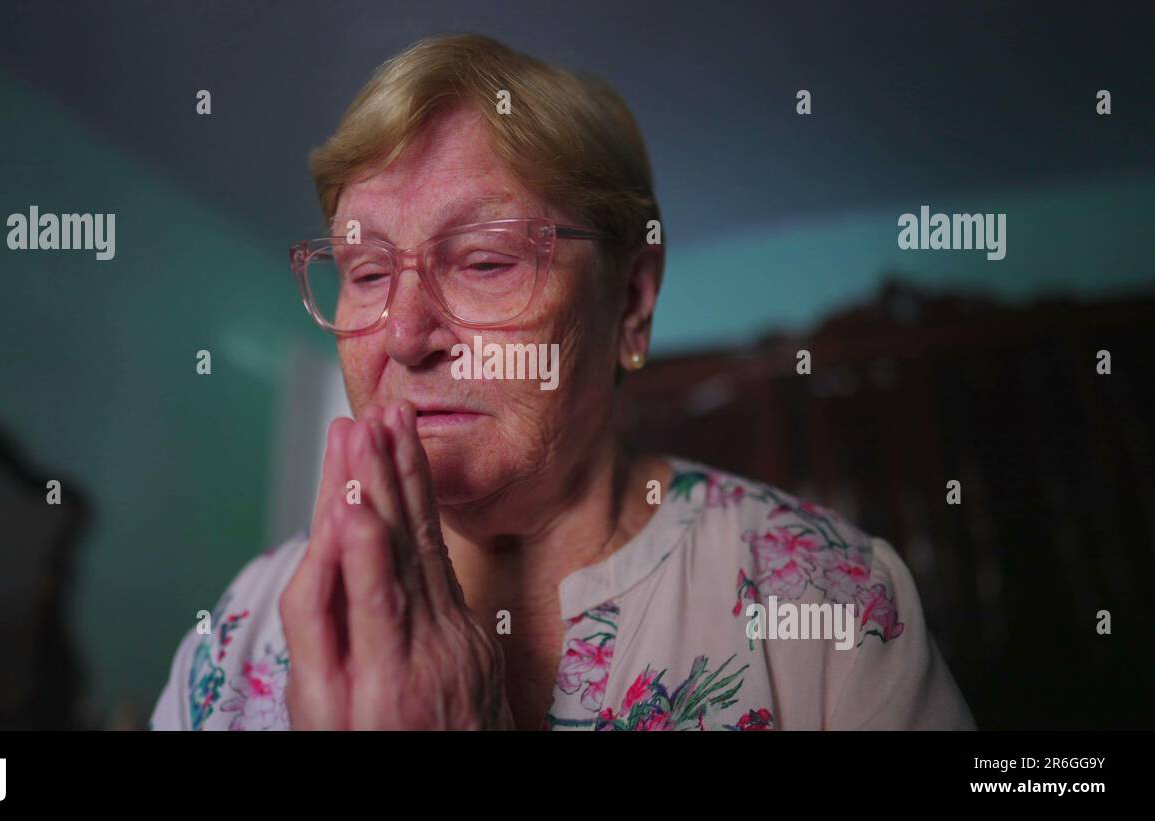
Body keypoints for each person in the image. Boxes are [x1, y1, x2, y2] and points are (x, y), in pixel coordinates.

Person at [150, 33, 974, 731]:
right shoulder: (243, 624)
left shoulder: (830, 606)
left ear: (631, 302)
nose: (403, 335)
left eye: (484, 261)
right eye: (365, 271)